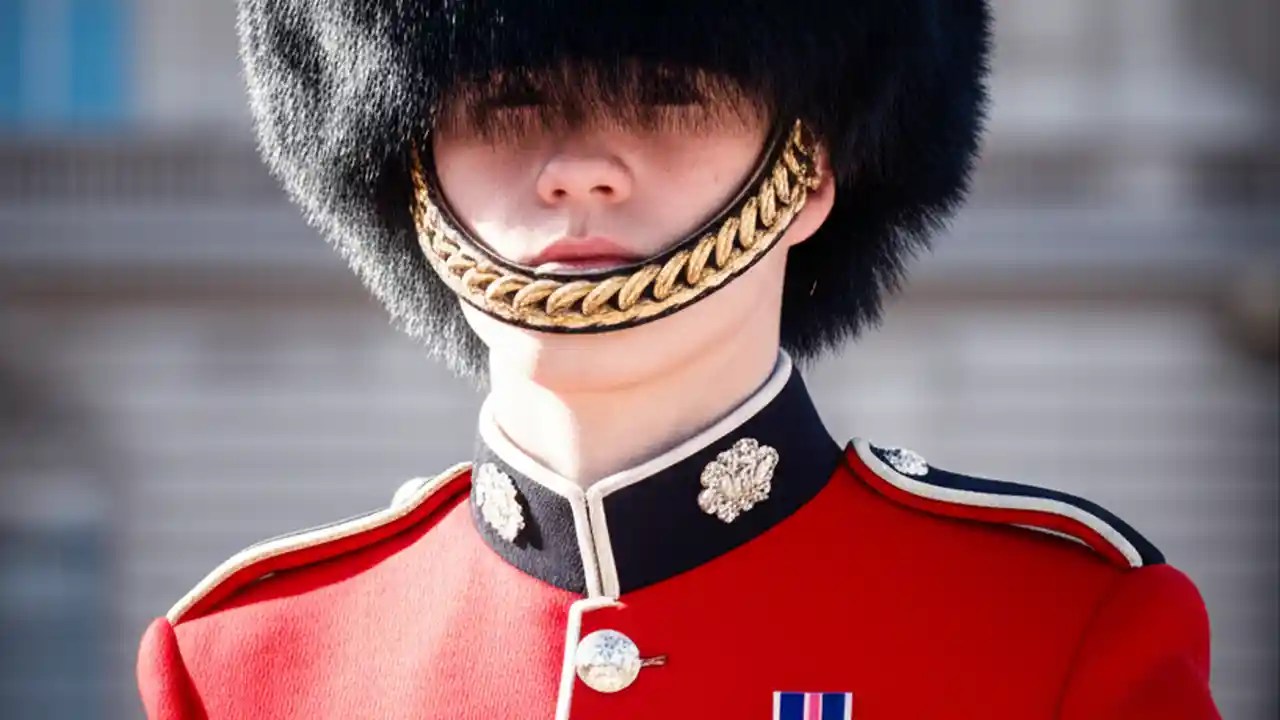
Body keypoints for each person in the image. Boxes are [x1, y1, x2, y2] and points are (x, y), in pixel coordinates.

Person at [137, 1, 1222, 718]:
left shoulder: (1054, 633)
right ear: (406, 164)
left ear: (805, 176)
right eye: (507, 104)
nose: (577, 170)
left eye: (667, 94)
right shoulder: (247, 667)